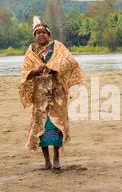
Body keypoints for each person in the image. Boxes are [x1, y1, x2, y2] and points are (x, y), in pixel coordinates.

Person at [19, 17, 83, 170]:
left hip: (56, 93)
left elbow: (71, 61)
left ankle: (56, 159)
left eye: (44, 33)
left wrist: (54, 67)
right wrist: (36, 71)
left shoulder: (57, 47)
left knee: (56, 125)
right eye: (38, 33)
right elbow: (25, 72)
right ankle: (46, 160)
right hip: (40, 94)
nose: (41, 35)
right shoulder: (31, 51)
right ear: (35, 36)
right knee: (41, 126)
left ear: (49, 35)